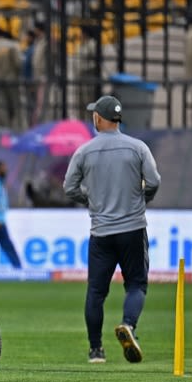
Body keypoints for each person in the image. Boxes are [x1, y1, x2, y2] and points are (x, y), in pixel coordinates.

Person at [62, 95, 161, 365]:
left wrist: (91, 200)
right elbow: (153, 181)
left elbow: (69, 187)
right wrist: (142, 200)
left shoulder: (85, 151)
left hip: (101, 231)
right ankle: (128, 324)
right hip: (133, 228)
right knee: (136, 285)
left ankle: (96, 350)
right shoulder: (138, 148)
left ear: (98, 118)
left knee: (96, 292)